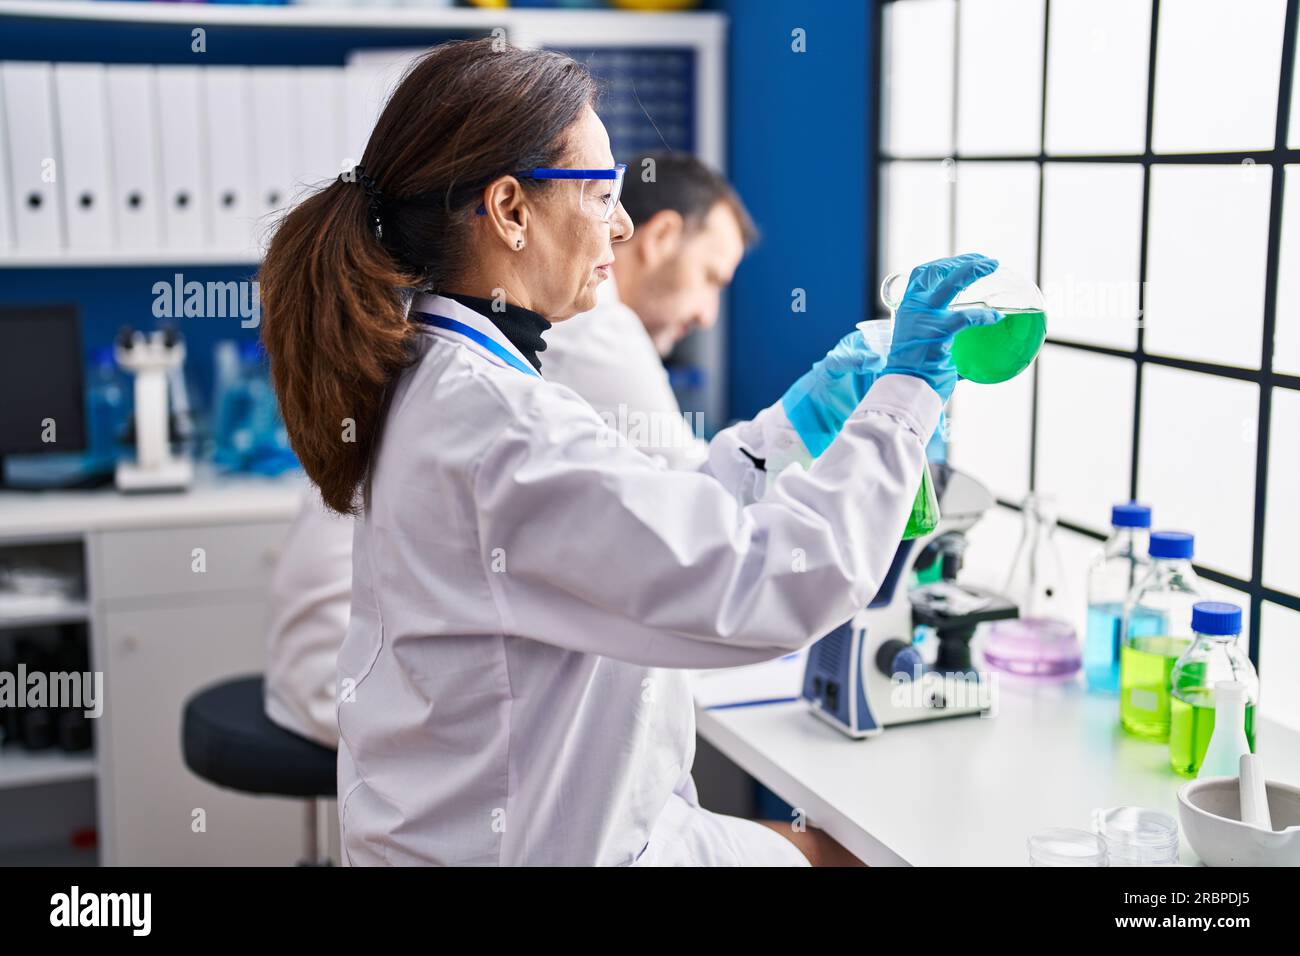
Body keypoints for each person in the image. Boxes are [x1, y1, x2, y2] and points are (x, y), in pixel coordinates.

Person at [259, 38, 998, 866]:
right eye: (603, 193)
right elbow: (768, 584)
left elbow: (653, 515)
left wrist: (792, 423)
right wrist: (906, 398)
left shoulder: (441, 373)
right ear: (510, 211)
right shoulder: (501, 427)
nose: (619, 223)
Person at [261, 156, 754, 744]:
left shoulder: (448, 313)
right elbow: (702, 508)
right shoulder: (591, 324)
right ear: (510, 210)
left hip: (341, 661)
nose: (708, 313)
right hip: (367, 688)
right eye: (711, 278)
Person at [542, 152, 755, 469]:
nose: (707, 316)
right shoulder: (600, 327)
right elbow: (705, 488)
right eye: (709, 278)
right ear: (661, 236)